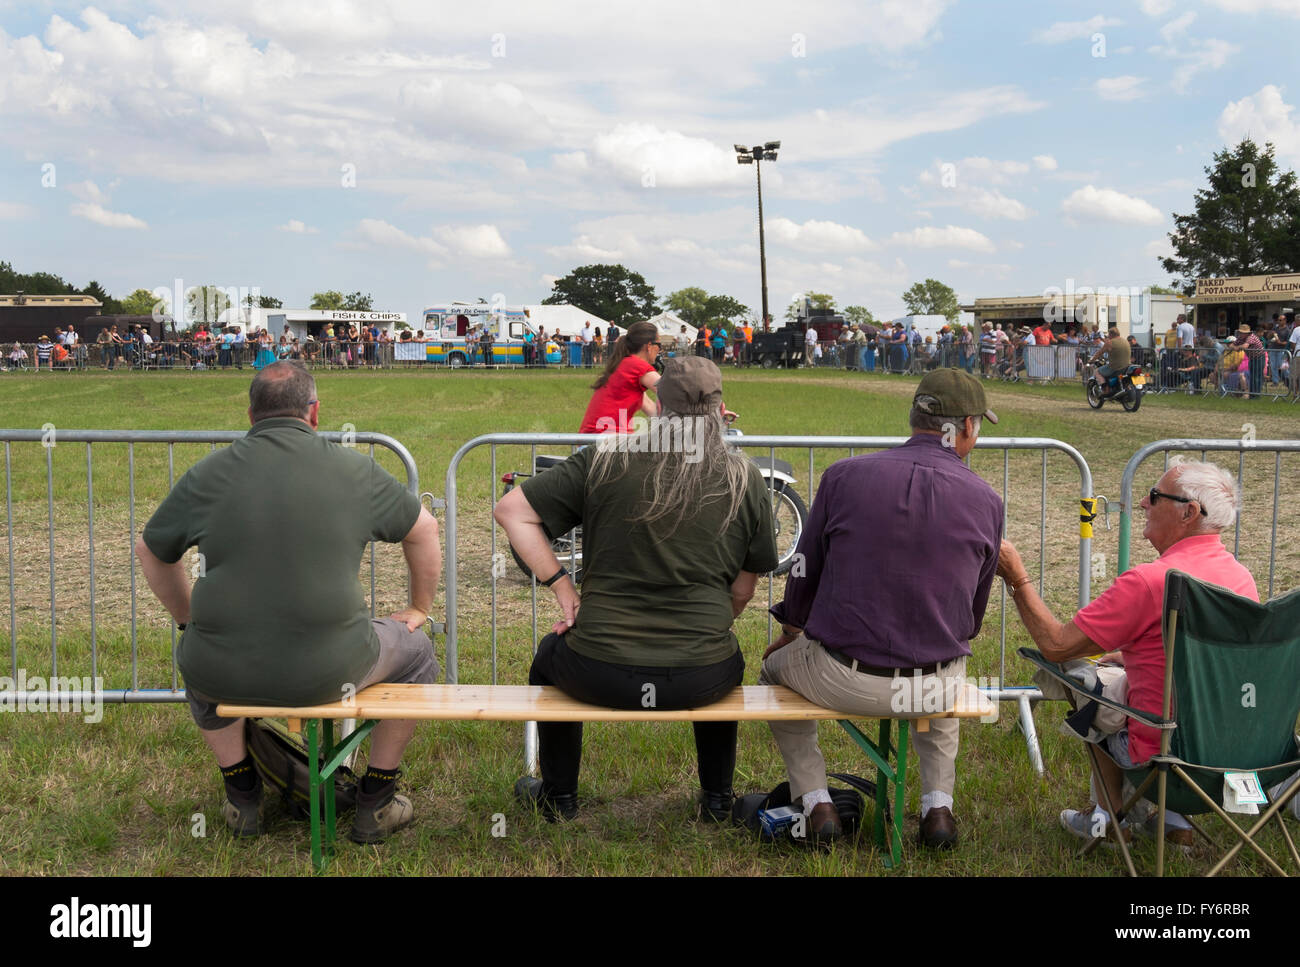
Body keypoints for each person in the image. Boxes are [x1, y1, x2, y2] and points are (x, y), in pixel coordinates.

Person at [134, 361, 442, 842]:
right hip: (332, 668)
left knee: (197, 661)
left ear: (250, 413)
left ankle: (242, 798)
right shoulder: (353, 468)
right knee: (418, 651)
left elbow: (151, 550)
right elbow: (424, 528)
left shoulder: (208, 473)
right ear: (315, 413)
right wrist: (419, 608)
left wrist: (187, 618)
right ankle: (377, 800)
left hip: (221, 667)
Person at [494, 356, 778, 821]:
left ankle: (559, 795)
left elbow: (511, 511)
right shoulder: (744, 476)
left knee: (548, 658)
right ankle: (717, 800)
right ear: (720, 406)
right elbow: (745, 590)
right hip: (704, 675)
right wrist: (707, 627)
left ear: (659, 404)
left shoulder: (604, 458)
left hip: (596, 668)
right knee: (724, 658)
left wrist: (563, 587)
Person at [760, 368, 1003, 847]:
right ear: (968, 427)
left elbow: (804, 569)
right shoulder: (987, 499)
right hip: (931, 685)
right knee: (945, 683)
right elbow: (971, 619)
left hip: (840, 676)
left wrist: (790, 633)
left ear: (914, 417)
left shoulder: (843, 476)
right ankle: (938, 809)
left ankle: (815, 801)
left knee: (772, 672)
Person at [997, 460, 1257, 848]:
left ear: (1189, 512)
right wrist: (1136, 656)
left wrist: (1016, 577)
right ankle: (1172, 821)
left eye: (1154, 496)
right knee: (1130, 683)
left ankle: (1108, 816)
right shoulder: (1241, 578)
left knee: (1086, 683)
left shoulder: (1150, 582)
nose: (1141, 503)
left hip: (1164, 762)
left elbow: (1056, 645)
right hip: (1232, 758)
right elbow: (1208, 668)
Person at [578, 320, 663, 434]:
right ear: (649, 346)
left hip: (592, 442)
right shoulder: (637, 366)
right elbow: (675, 392)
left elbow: (656, 413)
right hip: (602, 444)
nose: (660, 350)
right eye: (659, 345)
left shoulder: (625, 366)